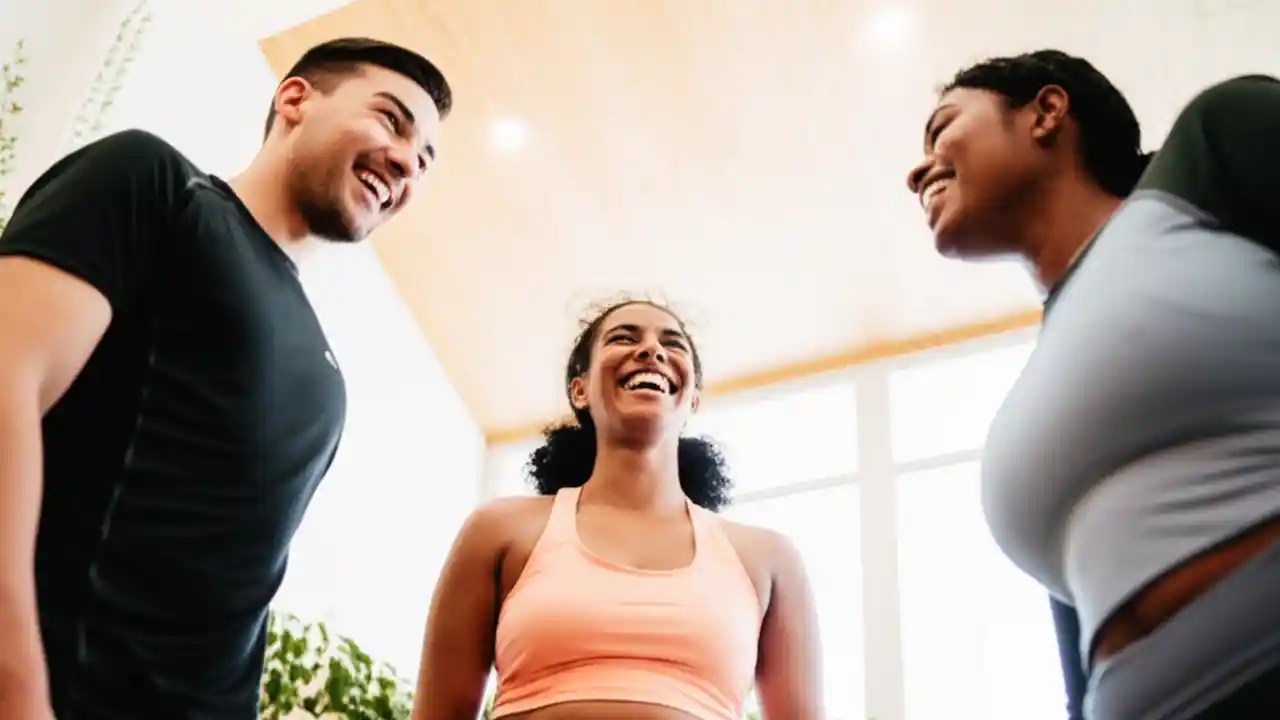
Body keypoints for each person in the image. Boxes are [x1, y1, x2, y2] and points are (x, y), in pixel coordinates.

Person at [0, 37, 451, 718]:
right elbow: (9, 380)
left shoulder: (325, 374)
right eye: (391, 120)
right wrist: (15, 688)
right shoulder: (155, 184)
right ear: (294, 99)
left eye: (425, 159)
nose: (407, 163)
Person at [907, 49, 1280, 719]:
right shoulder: (1044, 384)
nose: (917, 170)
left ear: (1046, 112)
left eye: (943, 127)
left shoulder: (1213, 147)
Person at [410, 299, 823, 720]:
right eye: (623, 338)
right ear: (580, 390)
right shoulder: (498, 531)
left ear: (693, 400)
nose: (652, 350)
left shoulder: (768, 559)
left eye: (672, 344)